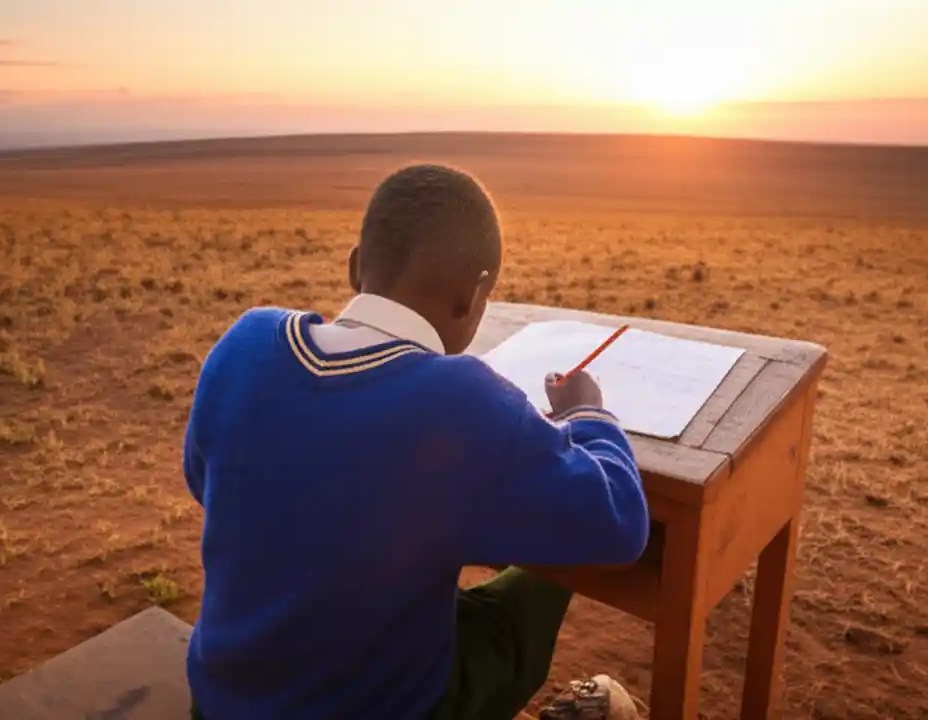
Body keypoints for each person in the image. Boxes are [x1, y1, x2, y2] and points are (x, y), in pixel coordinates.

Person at [184, 164, 649, 720]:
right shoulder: (457, 399)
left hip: (222, 701)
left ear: (356, 267)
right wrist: (589, 414)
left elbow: (202, 478)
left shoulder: (247, 343)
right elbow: (619, 522)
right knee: (537, 582)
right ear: (473, 296)